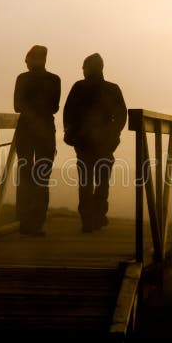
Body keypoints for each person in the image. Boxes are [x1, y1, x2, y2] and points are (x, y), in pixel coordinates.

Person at [63, 53, 127, 233]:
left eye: (83, 67)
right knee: (103, 180)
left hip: (83, 142)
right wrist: (114, 134)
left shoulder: (79, 87)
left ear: (88, 68)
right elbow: (122, 115)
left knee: (85, 181)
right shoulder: (112, 89)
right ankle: (98, 215)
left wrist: (71, 133)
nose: (82, 71)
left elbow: (68, 113)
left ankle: (87, 219)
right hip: (105, 142)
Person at [13, 45, 61, 236]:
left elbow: (17, 106)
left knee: (25, 175)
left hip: (25, 130)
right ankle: (37, 222)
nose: (25, 61)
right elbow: (54, 107)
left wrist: (30, 112)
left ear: (35, 59)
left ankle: (25, 222)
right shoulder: (55, 80)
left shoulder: (22, 79)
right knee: (42, 177)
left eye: (28, 58)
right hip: (46, 131)